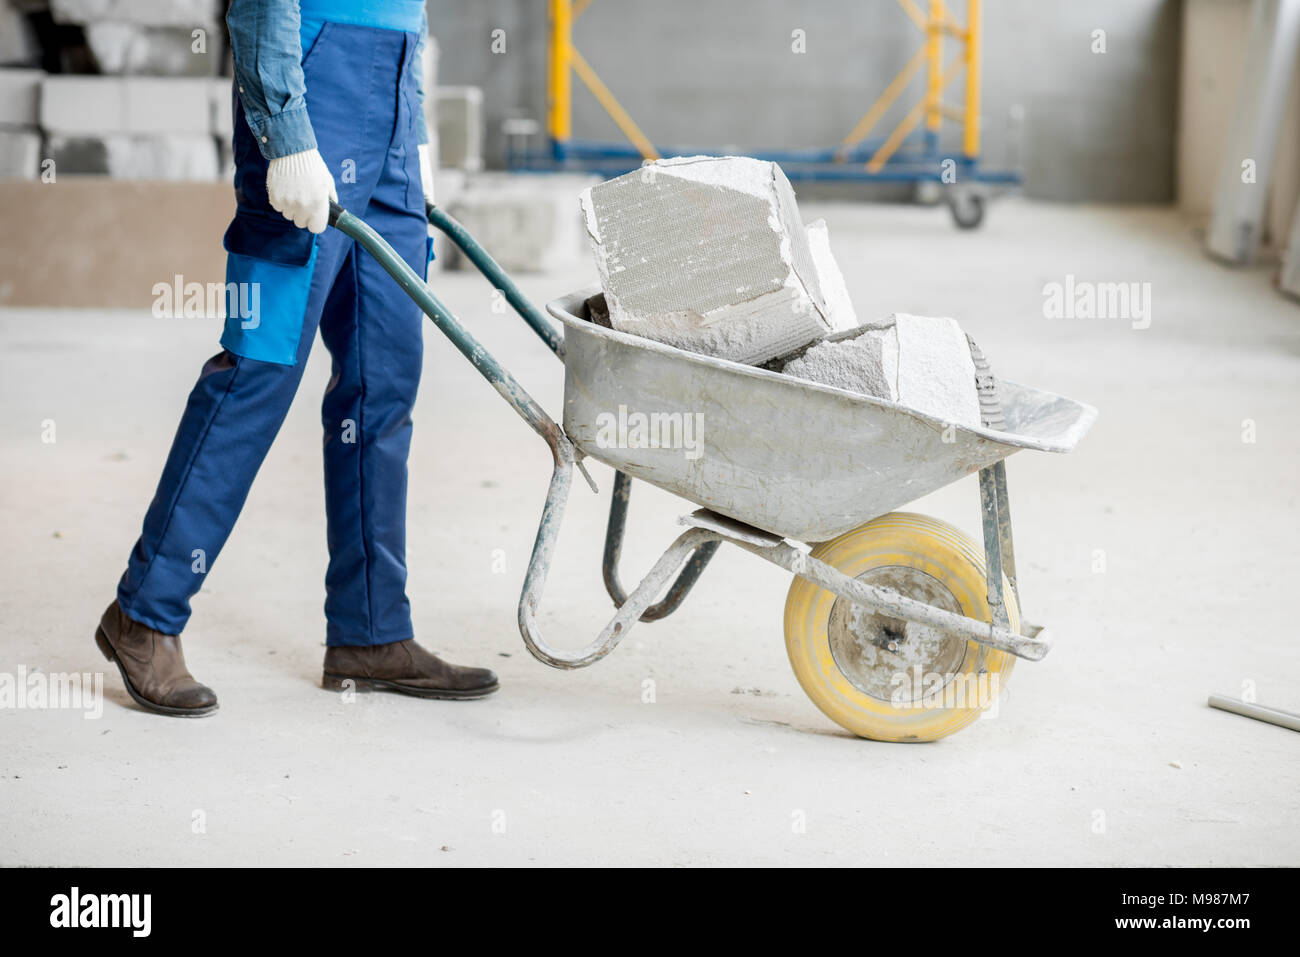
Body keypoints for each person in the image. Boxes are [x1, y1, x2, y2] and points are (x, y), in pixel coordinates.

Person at [93, 0, 498, 717]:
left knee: (386, 378)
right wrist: (285, 133)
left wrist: (416, 131)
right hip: (313, 93)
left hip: (395, 105)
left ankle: (370, 632)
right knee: (260, 368)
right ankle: (145, 614)